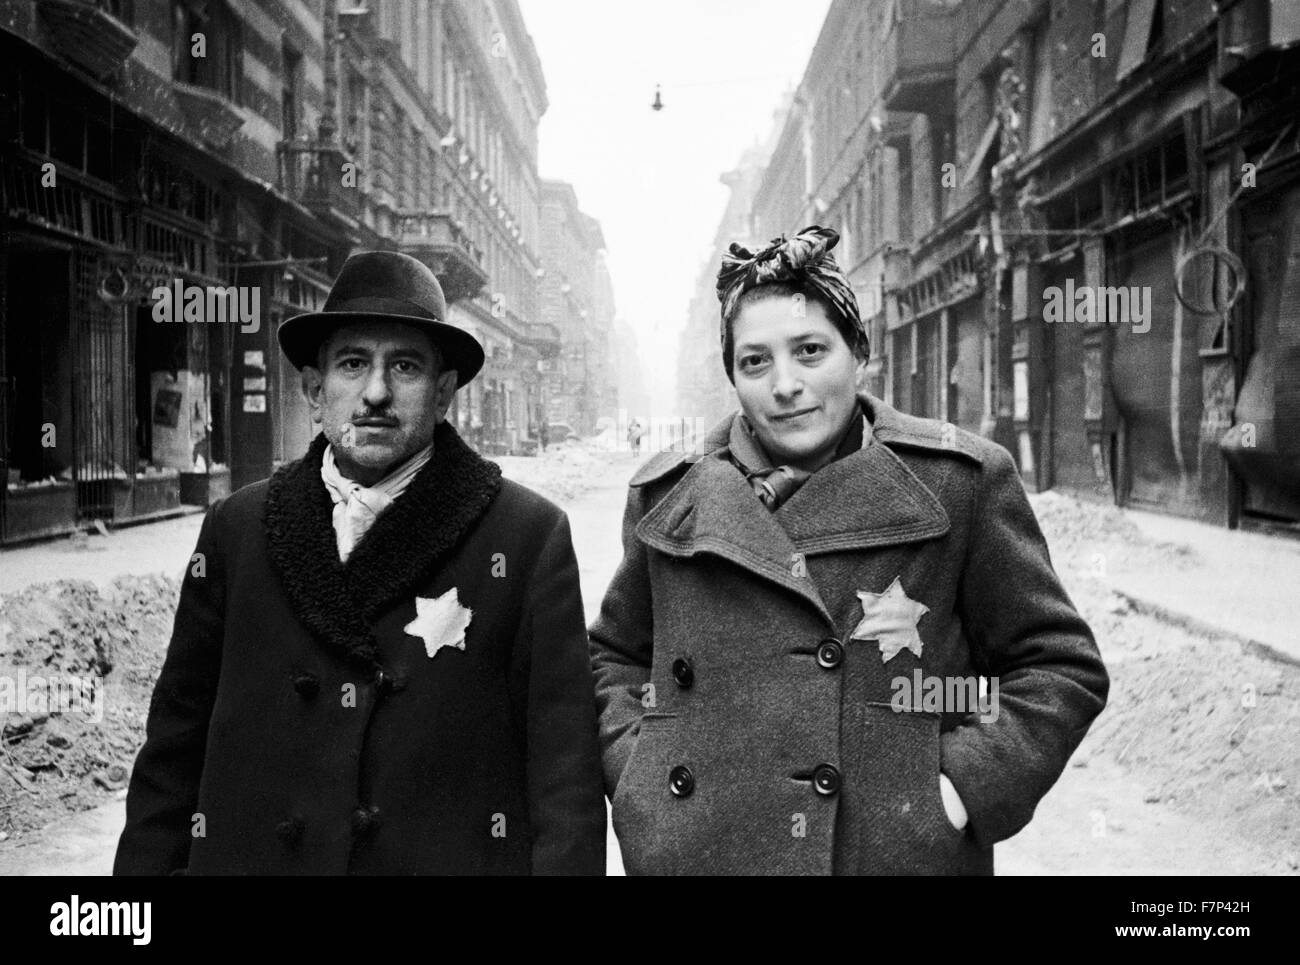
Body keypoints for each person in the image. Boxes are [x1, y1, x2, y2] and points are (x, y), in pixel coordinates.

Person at [589, 226, 1108, 875]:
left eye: (810, 351)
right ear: (734, 377)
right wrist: (641, 777)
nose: (785, 384)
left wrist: (954, 791)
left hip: (886, 858)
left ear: (858, 352)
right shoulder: (668, 493)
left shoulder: (958, 483)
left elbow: (1057, 666)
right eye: (755, 362)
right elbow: (614, 656)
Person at [115, 251, 606, 875]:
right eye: (353, 364)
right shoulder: (236, 530)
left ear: (443, 394)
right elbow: (173, 749)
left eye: (405, 366)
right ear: (315, 391)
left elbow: (565, 779)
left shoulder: (526, 537)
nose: (375, 392)